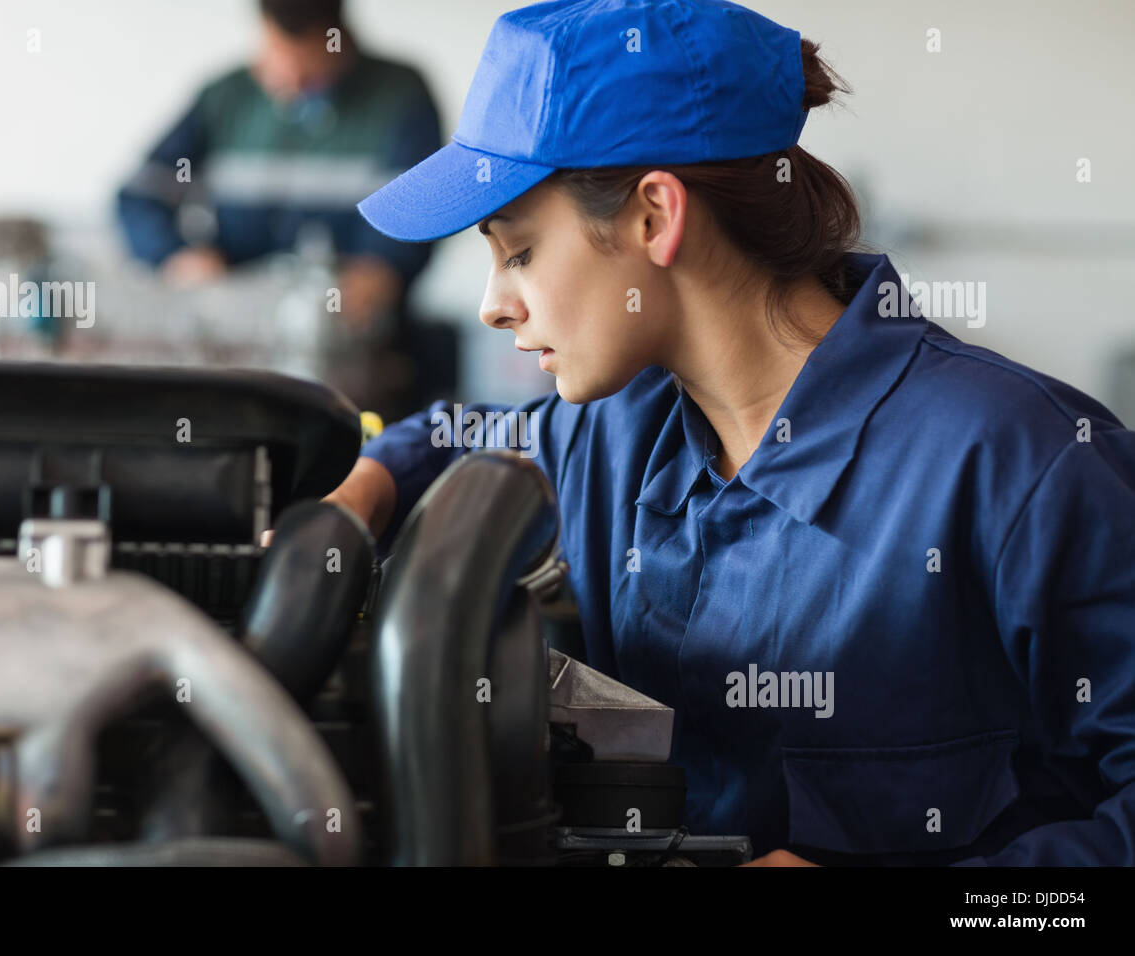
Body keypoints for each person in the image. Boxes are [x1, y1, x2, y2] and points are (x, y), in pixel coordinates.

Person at [312, 0, 1135, 865]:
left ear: (655, 217)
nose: (492, 304)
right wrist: (356, 495)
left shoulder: (1020, 464)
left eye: (517, 252)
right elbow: (455, 437)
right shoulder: (611, 434)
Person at [116, 0, 443, 349]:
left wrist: (385, 268)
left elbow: (425, 201)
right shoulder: (224, 97)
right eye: (276, 53)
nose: (289, 77)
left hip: (356, 334)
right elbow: (142, 191)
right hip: (237, 333)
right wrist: (174, 256)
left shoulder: (400, 95)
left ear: (339, 37)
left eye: (306, 61)